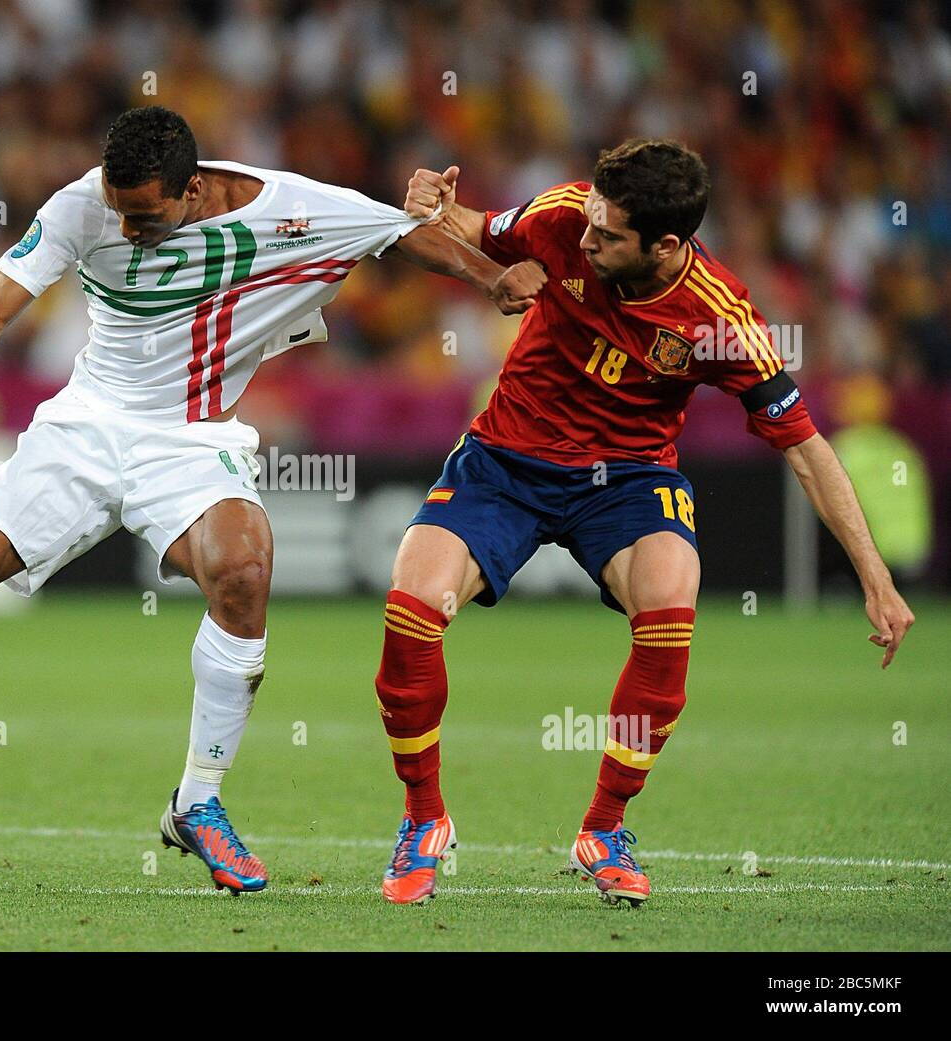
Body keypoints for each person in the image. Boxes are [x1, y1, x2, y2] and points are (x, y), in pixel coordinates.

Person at [0, 106, 543, 894]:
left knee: (244, 570)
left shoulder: (291, 208)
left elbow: (395, 234)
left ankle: (197, 801)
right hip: (85, 427)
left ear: (193, 188)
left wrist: (490, 276)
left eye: (146, 215)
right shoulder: (80, 206)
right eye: (118, 207)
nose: (126, 227)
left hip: (192, 440)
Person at [376, 139, 916, 905]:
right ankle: (423, 818)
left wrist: (876, 577)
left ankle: (603, 826)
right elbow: (455, 225)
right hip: (507, 458)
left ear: (666, 245)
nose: (586, 239)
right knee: (410, 610)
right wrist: (435, 207)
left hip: (627, 480)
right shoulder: (564, 213)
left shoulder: (721, 318)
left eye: (608, 236)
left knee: (670, 600)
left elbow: (807, 449)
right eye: (590, 223)